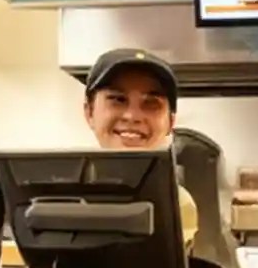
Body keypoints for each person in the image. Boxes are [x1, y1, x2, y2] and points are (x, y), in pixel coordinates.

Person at [82, 48, 199, 248]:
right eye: (118, 99)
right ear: (89, 112)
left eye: (151, 103)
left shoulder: (178, 205)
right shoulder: (53, 196)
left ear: (170, 123)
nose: (132, 116)